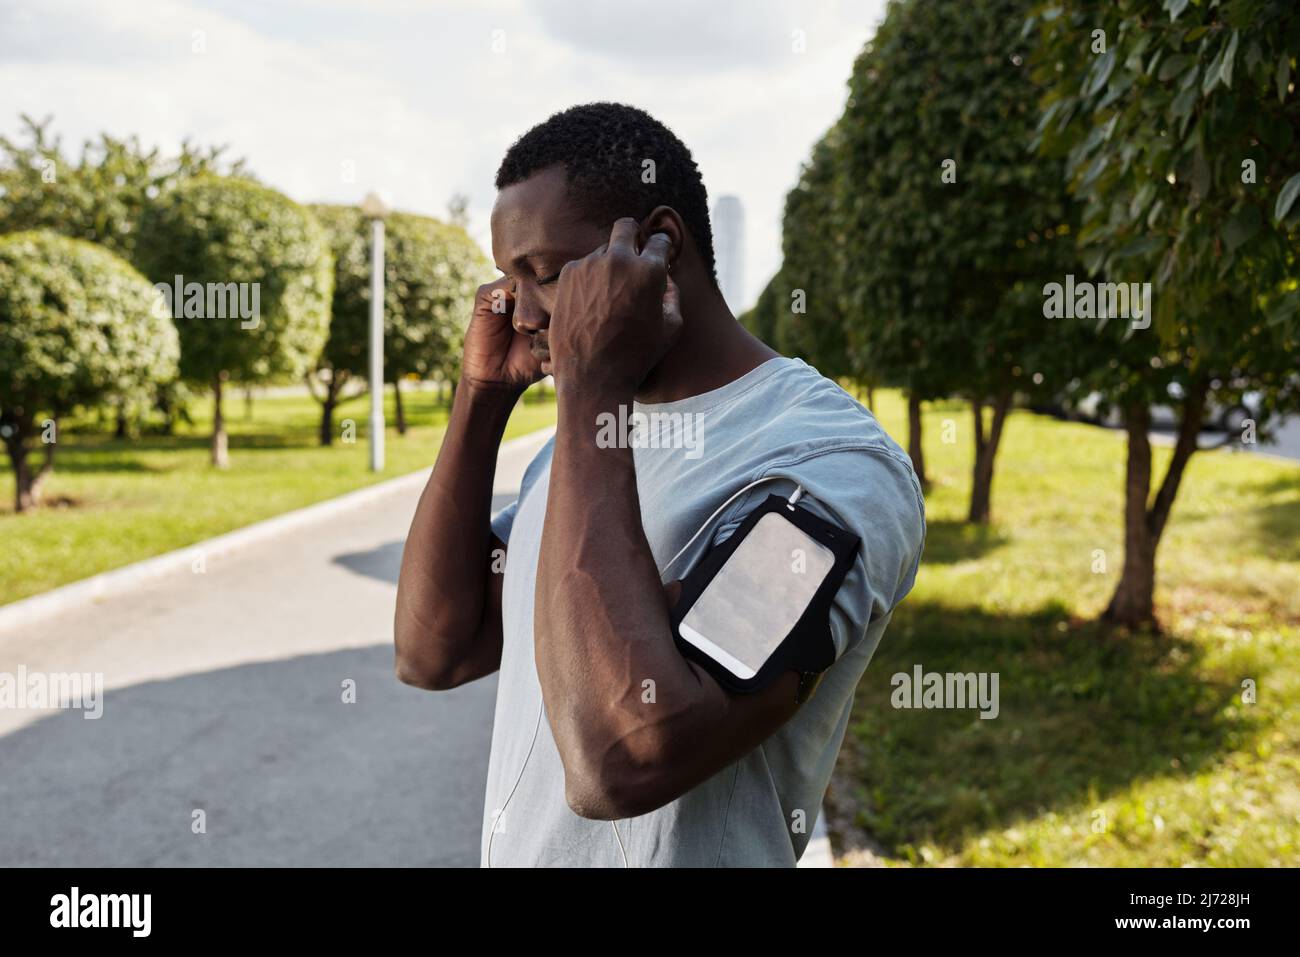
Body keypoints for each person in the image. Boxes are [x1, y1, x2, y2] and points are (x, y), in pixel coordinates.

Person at [394, 102, 925, 867]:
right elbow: (433, 650)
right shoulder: (583, 446)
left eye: (544, 274)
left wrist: (590, 388)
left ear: (659, 246)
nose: (524, 313)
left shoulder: (831, 467)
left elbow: (622, 759)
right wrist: (480, 399)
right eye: (509, 280)